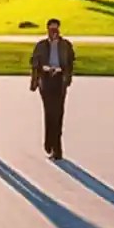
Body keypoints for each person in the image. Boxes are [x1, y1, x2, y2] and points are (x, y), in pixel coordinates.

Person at [31, 18, 75, 160]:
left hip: (59, 80)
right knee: (49, 113)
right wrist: (43, 68)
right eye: (51, 30)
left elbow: (70, 62)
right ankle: (49, 142)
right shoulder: (41, 45)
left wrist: (64, 72)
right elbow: (34, 62)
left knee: (58, 113)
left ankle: (57, 148)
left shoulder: (66, 45)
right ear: (47, 30)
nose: (54, 32)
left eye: (56, 29)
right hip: (46, 80)